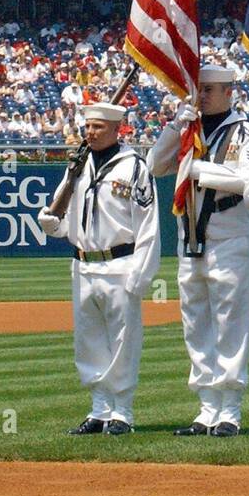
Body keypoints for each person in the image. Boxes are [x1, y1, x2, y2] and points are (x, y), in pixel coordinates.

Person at [147, 65, 249, 435]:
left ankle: (230, 407)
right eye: (198, 90)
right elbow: (155, 165)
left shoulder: (244, 131)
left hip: (228, 233)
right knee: (195, 321)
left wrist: (203, 171)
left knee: (230, 321)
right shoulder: (188, 130)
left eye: (210, 89)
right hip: (191, 237)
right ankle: (206, 406)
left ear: (229, 92)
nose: (202, 96)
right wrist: (173, 127)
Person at [39, 102, 160, 434]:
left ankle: (122, 411)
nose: (90, 133)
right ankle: (99, 408)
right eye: (87, 127)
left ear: (116, 129)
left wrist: (142, 272)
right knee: (89, 341)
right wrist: (50, 221)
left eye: (98, 127)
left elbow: (148, 225)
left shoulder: (133, 166)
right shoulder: (78, 166)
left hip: (120, 262)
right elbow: (61, 220)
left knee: (123, 340)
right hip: (83, 264)